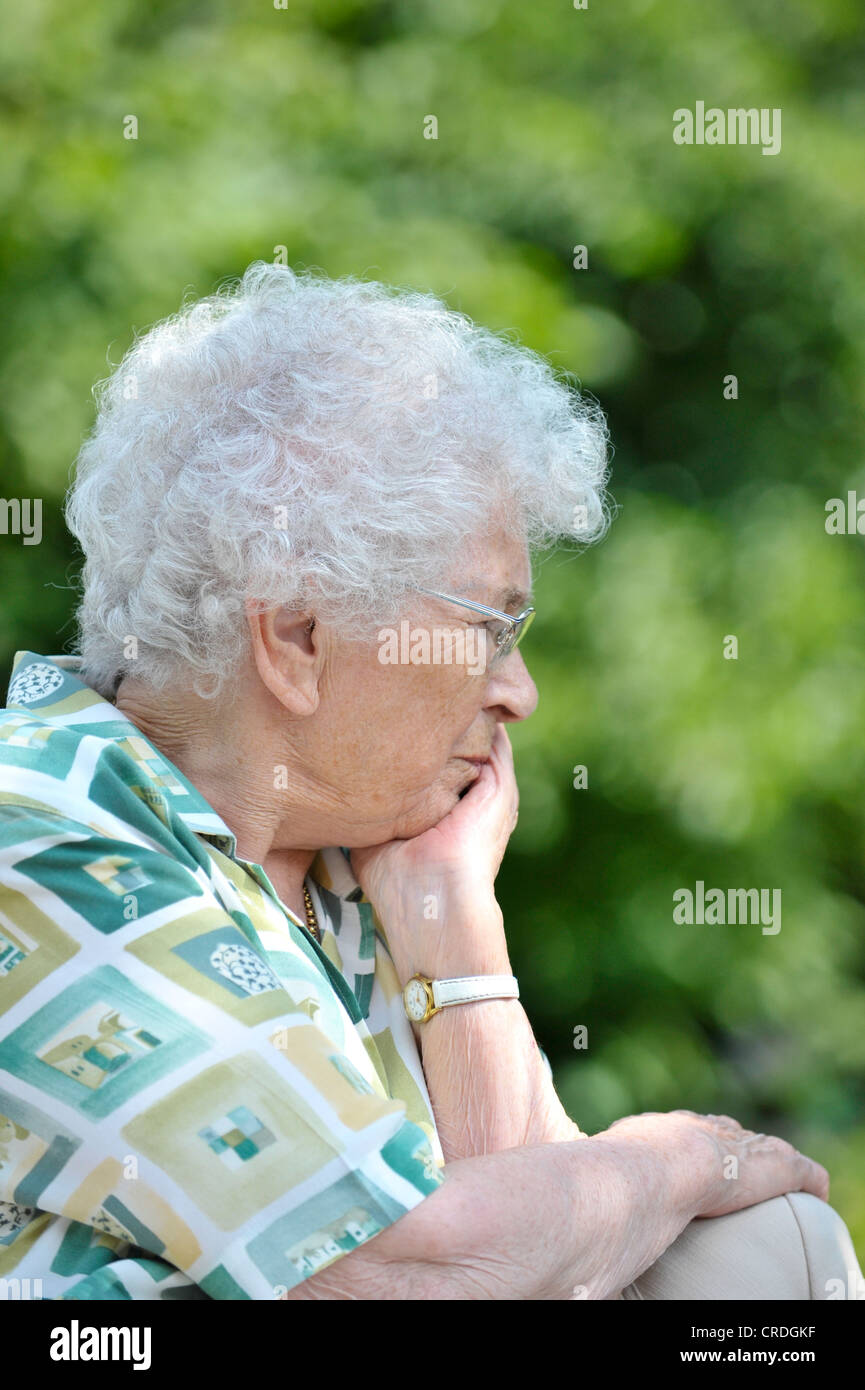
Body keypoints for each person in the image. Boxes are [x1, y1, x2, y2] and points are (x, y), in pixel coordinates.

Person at [0, 264, 860, 1300]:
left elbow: (559, 1275)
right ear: (298, 640)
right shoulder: (39, 832)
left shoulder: (339, 858)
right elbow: (402, 1272)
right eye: (489, 628)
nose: (522, 693)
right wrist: (688, 1156)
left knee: (744, 1259)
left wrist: (449, 911)